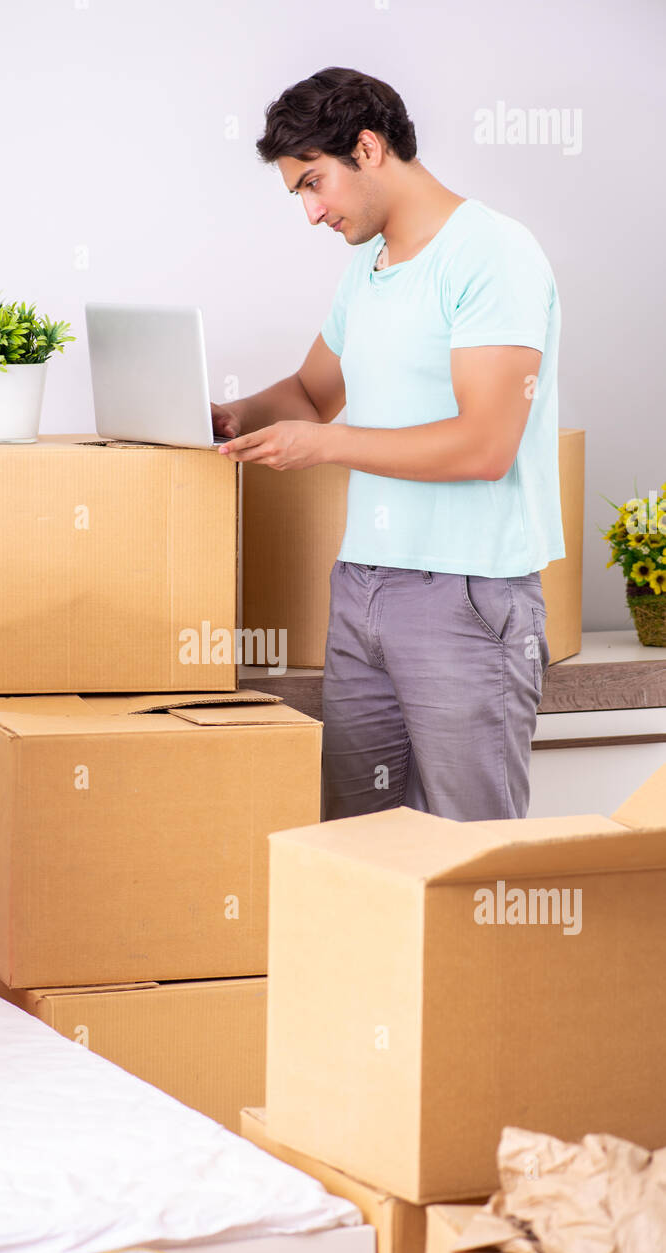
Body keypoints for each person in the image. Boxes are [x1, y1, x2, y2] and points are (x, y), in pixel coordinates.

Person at [213, 66, 562, 822]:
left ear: (367, 149)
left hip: (465, 596)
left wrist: (327, 446)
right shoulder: (366, 270)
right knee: (359, 848)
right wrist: (229, 415)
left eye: (313, 183)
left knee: (467, 854)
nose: (310, 213)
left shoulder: (490, 253)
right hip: (362, 588)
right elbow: (310, 394)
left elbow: (484, 446)